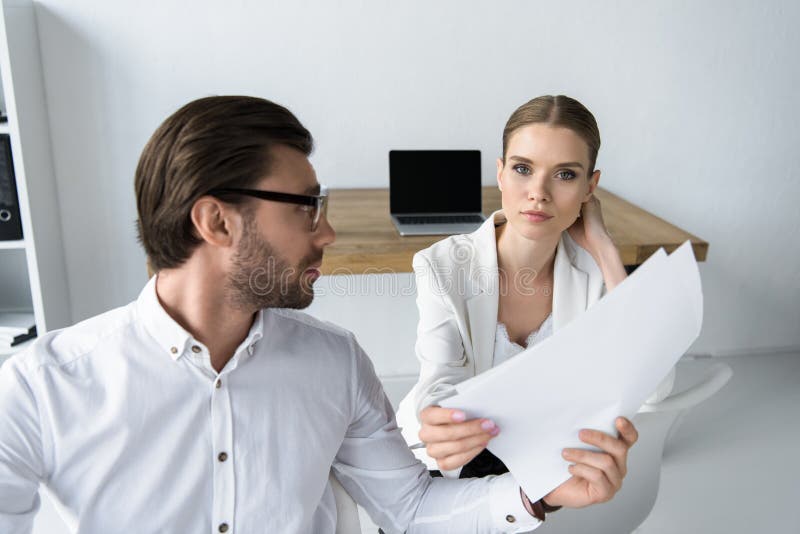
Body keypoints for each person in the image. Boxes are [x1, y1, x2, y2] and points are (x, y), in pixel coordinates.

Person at [0, 95, 636, 534]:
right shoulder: (38, 389)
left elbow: (410, 509)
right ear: (216, 220)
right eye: (307, 206)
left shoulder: (334, 364)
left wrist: (539, 493)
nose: (329, 231)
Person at [397, 95, 674, 484]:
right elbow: (439, 382)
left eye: (565, 175)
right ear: (500, 173)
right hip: (456, 463)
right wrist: (441, 422)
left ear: (590, 187)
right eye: (523, 168)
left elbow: (655, 387)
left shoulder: (596, 274)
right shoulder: (442, 264)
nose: (538, 192)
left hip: (552, 468)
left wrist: (607, 250)